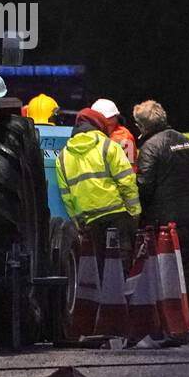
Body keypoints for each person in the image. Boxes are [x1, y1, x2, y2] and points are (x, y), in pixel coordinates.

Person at [133, 100, 189, 312]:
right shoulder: (188, 143)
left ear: (143, 126)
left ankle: (171, 319)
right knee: (187, 270)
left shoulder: (150, 148)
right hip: (188, 221)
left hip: (162, 224)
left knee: (164, 273)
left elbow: (144, 187)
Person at [56, 107, 142, 273]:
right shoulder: (109, 146)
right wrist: (134, 212)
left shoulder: (63, 156)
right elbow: (127, 181)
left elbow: (66, 196)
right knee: (121, 268)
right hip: (118, 216)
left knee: (99, 270)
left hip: (89, 222)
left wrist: (78, 222)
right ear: (99, 125)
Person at [91, 98, 138, 169]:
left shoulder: (125, 139)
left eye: (110, 118)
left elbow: (129, 168)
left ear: (116, 117)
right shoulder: (91, 134)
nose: (108, 122)